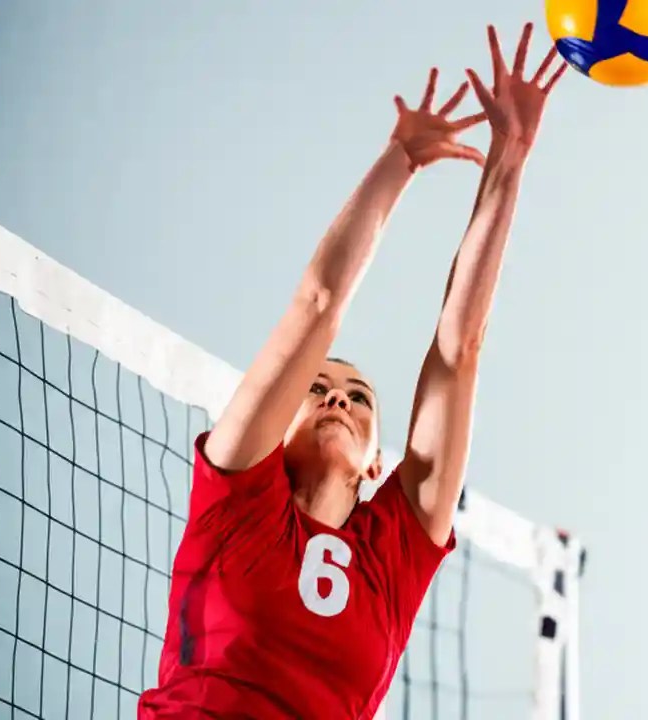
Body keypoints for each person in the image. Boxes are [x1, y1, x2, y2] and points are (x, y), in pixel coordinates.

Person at [138, 23, 566, 719]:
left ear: (375, 464)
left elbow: (458, 352)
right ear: (278, 427)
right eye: (317, 389)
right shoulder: (235, 497)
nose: (338, 399)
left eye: (359, 398)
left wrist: (509, 156)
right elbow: (318, 305)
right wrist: (400, 159)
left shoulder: (391, 558)